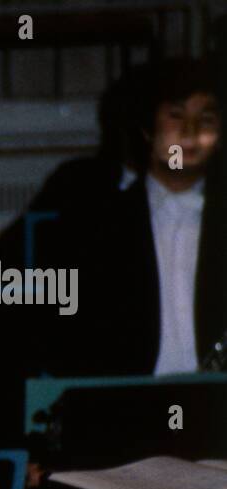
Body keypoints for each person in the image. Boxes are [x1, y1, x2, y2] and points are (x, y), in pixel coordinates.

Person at [59, 58, 224, 376]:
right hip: (127, 405)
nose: (190, 132)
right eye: (176, 116)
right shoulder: (97, 224)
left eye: (206, 119)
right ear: (148, 129)